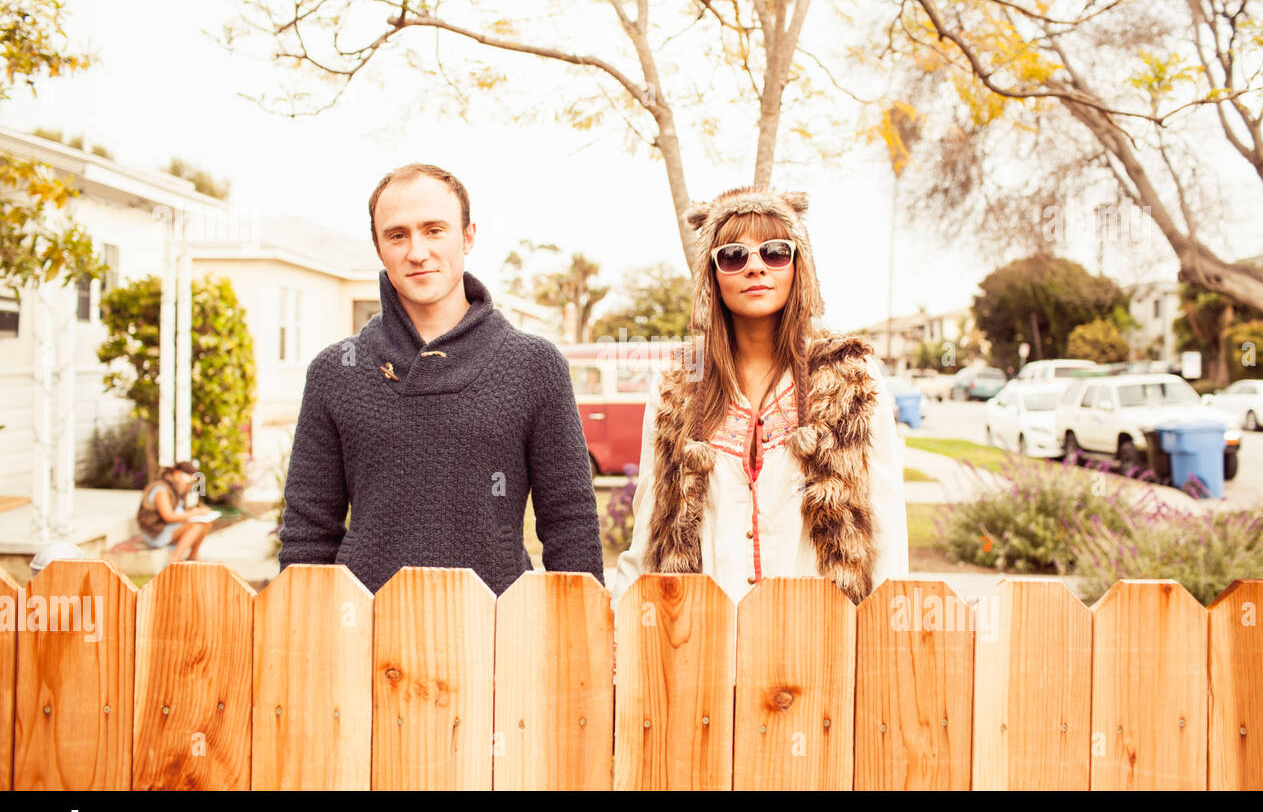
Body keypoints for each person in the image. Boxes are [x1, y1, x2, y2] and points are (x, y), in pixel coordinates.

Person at [278, 163, 604, 595]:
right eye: (397, 235)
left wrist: (581, 636)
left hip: (498, 636)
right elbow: (308, 534)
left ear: (468, 236)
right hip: (362, 636)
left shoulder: (534, 365)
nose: (417, 251)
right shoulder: (336, 371)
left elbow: (570, 524)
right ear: (379, 247)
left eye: (434, 230)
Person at [606, 185, 909, 606]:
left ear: (797, 266)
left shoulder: (852, 377)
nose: (755, 267)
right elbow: (652, 526)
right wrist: (620, 634)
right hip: (700, 643)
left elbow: (886, 525)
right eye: (733, 256)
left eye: (774, 252)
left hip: (820, 645)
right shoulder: (678, 383)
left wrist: (884, 640)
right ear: (712, 275)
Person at [136, 461, 214, 564]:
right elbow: (168, 516)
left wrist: (195, 511)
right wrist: (196, 513)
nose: (190, 485)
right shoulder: (161, 490)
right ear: (177, 474)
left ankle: (193, 556)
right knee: (197, 526)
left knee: (206, 524)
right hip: (155, 533)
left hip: (169, 529)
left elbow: (180, 512)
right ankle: (174, 562)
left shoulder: (177, 490)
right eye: (189, 482)